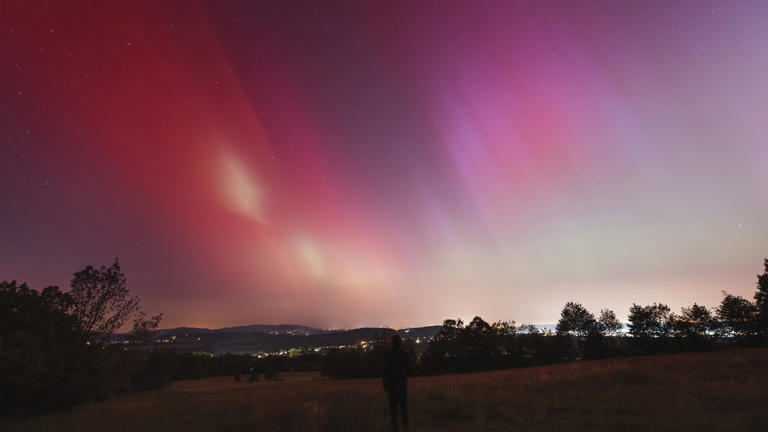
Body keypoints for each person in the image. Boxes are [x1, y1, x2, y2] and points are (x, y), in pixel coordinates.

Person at [383, 334, 410, 431]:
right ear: (400, 342)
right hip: (401, 385)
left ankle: (395, 427)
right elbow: (409, 370)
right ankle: (405, 427)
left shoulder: (389, 355)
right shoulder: (403, 354)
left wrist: (386, 385)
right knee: (403, 407)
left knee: (393, 409)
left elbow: (385, 371)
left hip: (392, 386)